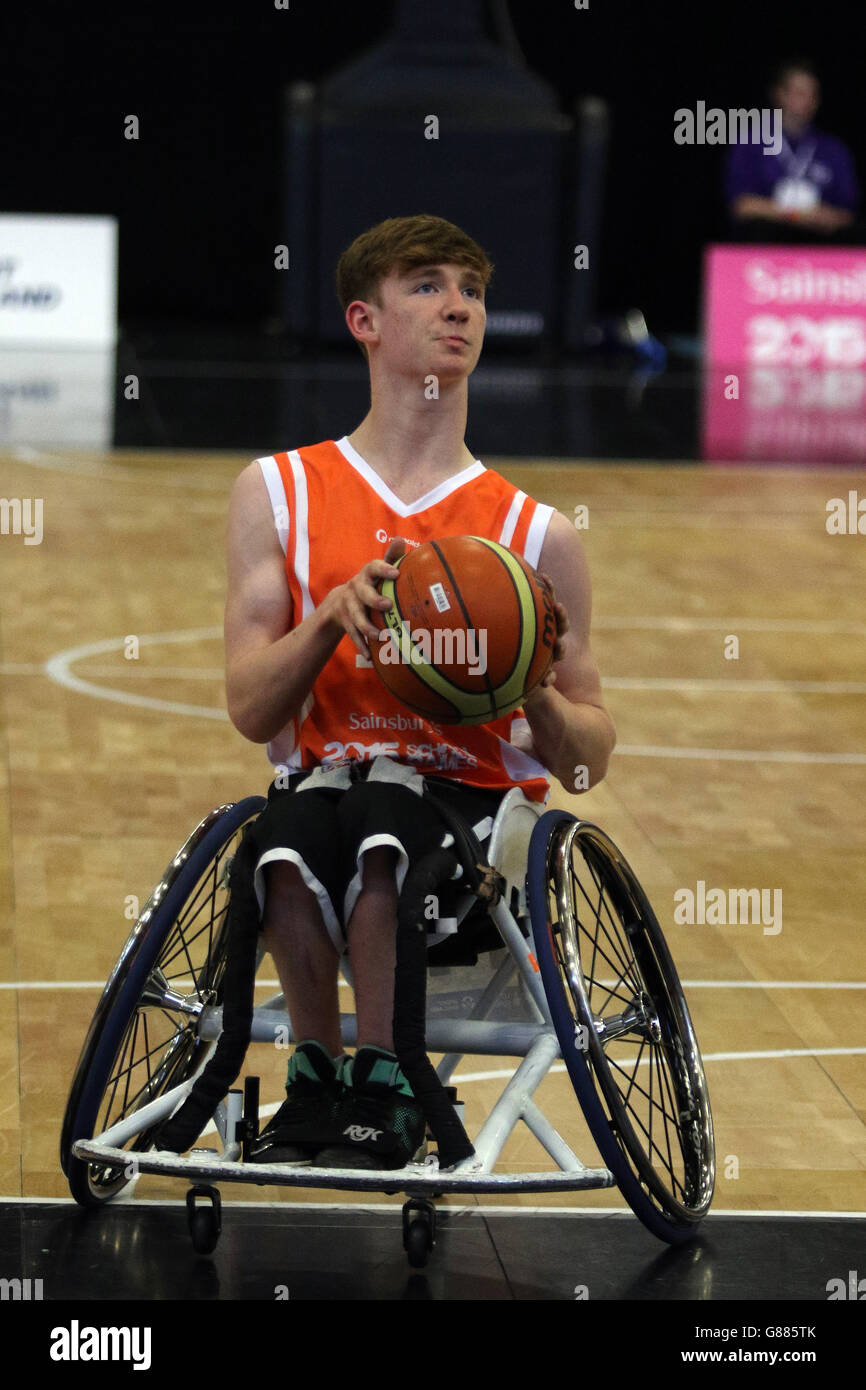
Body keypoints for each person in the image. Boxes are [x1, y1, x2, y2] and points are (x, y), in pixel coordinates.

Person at [223, 214, 616, 1170]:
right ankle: (316, 1078)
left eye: (473, 291)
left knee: (386, 823)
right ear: (364, 318)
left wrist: (537, 700)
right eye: (428, 285)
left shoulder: (534, 534)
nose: (458, 308)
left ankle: (392, 1078)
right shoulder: (280, 491)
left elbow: (590, 759)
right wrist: (327, 620)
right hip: (328, 788)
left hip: (471, 818)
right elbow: (249, 712)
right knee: (280, 839)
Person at [726, 59, 860, 242]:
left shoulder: (834, 150)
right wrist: (795, 216)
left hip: (820, 244)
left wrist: (821, 217)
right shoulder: (750, 143)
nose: (807, 101)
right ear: (779, 94)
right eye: (799, 93)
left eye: (812, 94)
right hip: (766, 242)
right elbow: (742, 206)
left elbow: (847, 215)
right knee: (758, 229)